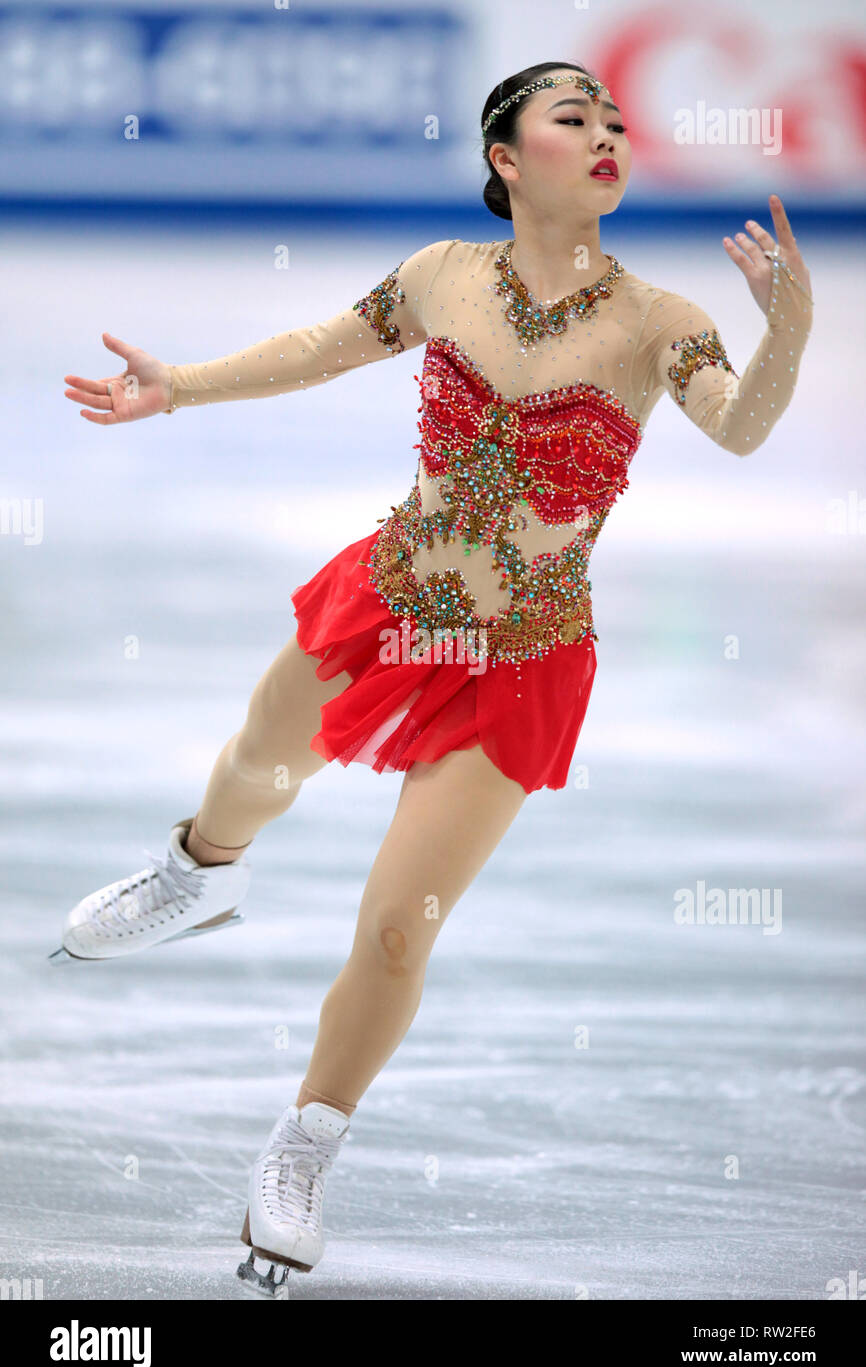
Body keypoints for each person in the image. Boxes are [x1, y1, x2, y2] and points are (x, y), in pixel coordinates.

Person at [58, 61, 814, 1293]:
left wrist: (785, 337)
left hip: (521, 657)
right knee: (256, 765)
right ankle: (194, 875)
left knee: (398, 932)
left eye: (615, 120)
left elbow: (737, 427)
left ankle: (302, 1147)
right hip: (392, 600)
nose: (606, 134)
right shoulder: (440, 276)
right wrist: (178, 386)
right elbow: (319, 345)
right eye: (574, 119)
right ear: (508, 159)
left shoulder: (661, 320)